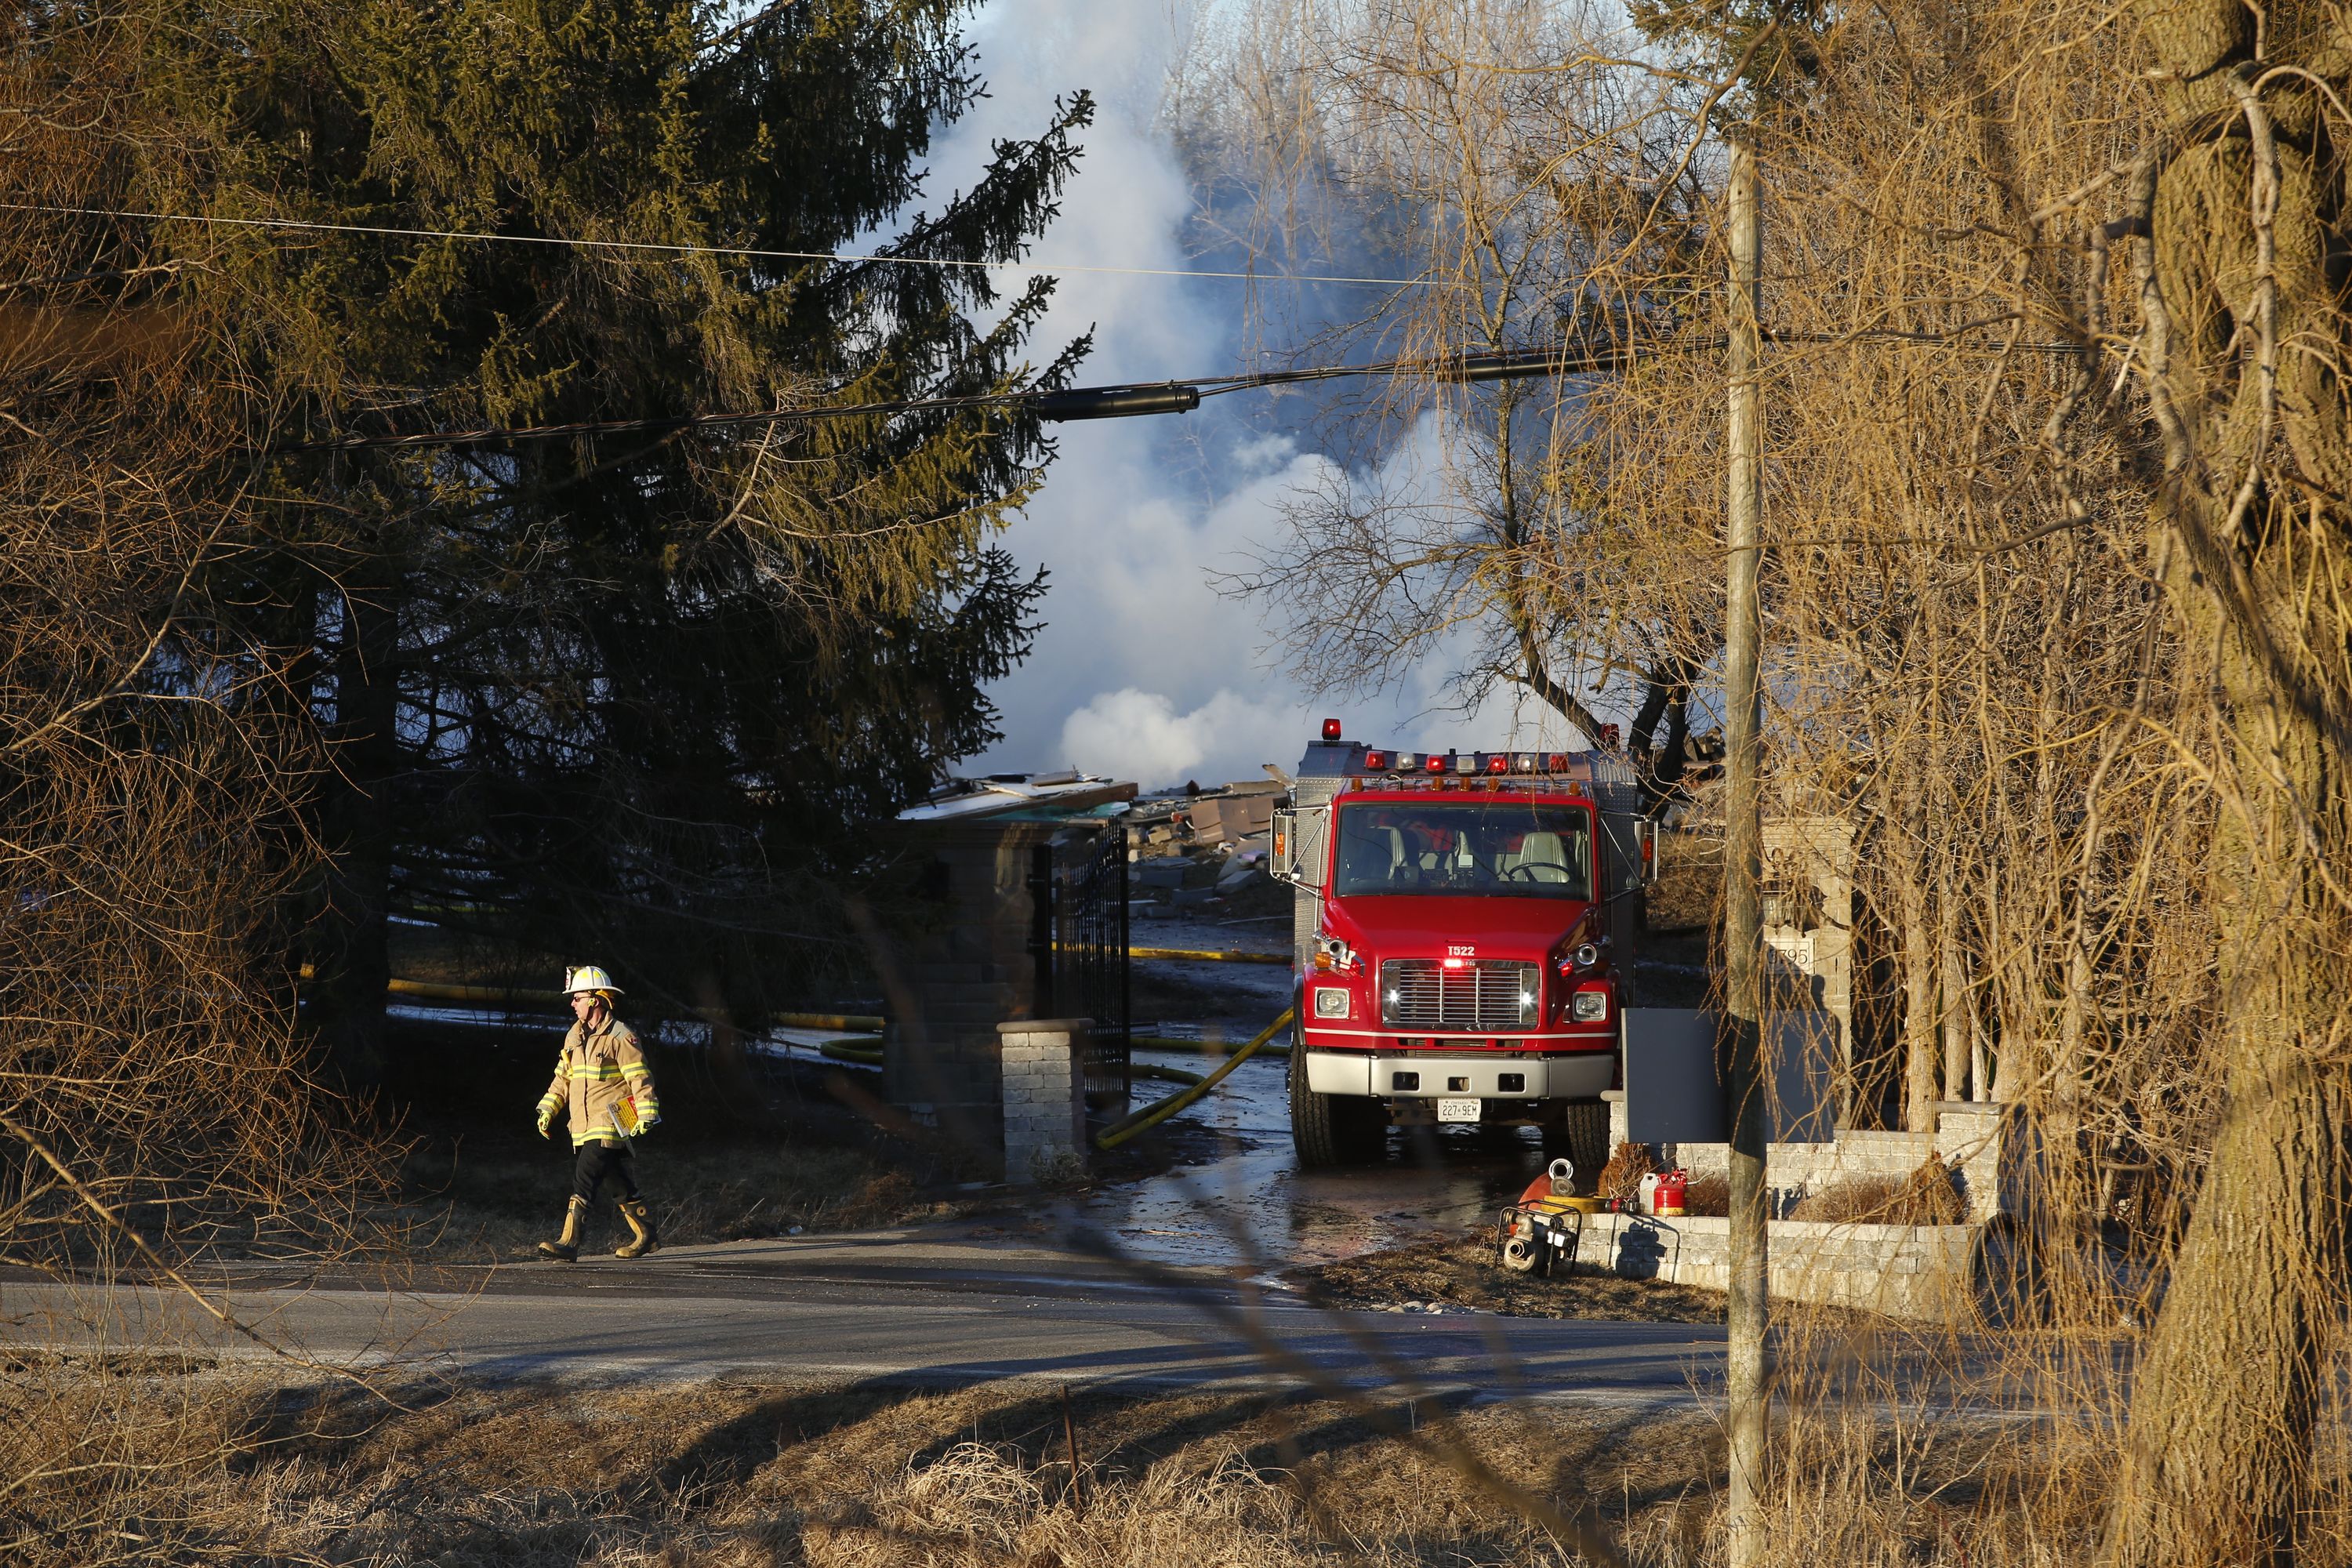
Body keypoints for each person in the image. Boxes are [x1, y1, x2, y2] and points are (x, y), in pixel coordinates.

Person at [533, 966, 662, 1261]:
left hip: (608, 1123)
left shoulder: (620, 1036)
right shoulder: (574, 1036)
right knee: (617, 1182)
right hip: (583, 1123)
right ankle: (647, 1234)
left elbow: (640, 1078)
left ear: (594, 1000)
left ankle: (569, 1242)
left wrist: (646, 1113)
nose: (572, 1004)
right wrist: (547, 1108)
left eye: (577, 998)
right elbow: (563, 1078)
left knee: (585, 1177)